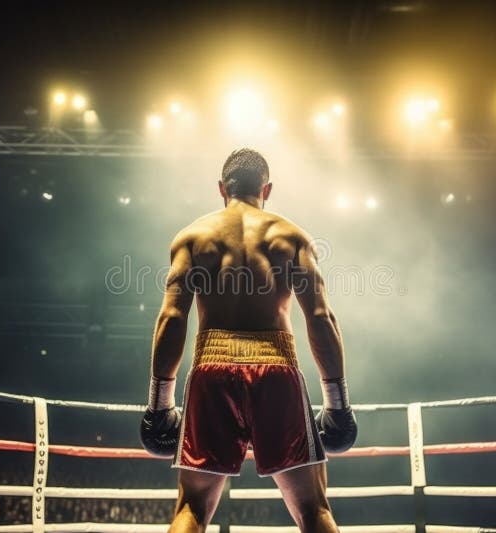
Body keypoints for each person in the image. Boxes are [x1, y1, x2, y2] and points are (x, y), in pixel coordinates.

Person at [140, 148, 357, 533]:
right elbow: (321, 318)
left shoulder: (192, 237)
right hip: (276, 369)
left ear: (222, 188)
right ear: (267, 189)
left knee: (191, 508)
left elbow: (172, 318)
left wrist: (159, 404)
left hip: (211, 370)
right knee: (313, 508)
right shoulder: (291, 236)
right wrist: (337, 403)